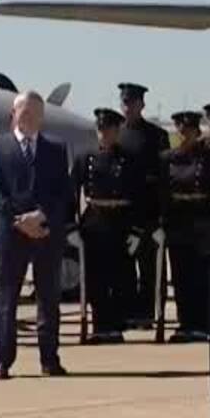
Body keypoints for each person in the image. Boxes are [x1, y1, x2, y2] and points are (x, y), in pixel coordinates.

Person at [0, 91, 73, 379]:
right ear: (14, 114)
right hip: (10, 234)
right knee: (6, 300)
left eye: (35, 112)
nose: (29, 117)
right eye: (24, 112)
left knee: (48, 299)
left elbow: (63, 192)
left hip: (46, 232)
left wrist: (41, 216)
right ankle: (1, 361)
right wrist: (19, 219)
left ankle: (50, 359)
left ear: (42, 117)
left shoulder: (57, 149)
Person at [72, 108, 146, 344]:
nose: (104, 134)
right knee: (95, 277)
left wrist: (136, 229)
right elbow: (71, 191)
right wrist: (71, 225)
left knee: (121, 275)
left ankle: (116, 324)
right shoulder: (85, 157)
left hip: (121, 220)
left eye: (109, 130)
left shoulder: (130, 159)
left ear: (117, 131)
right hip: (94, 220)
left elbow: (140, 196)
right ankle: (100, 325)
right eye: (101, 130)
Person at [160, 111, 210, 342]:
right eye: (181, 131)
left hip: (201, 220)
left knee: (201, 276)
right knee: (181, 276)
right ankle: (186, 323)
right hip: (178, 223)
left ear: (197, 132)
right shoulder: (167, 159)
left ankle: (203, 323)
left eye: (190, 131)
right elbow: (163, 193)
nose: (185, 136)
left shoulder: (209, 158)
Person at [115, 82, 167, 331]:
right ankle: (127, 312)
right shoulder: (117, 134)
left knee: (149, 268)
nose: (128, 107)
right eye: (125, 102)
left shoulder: (157, 136)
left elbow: (163, 177)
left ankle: (149, 314)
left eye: (133, 103)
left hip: (147, 211)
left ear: (141, 105)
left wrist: (159, 214)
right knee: (124, 267)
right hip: (123, 211)